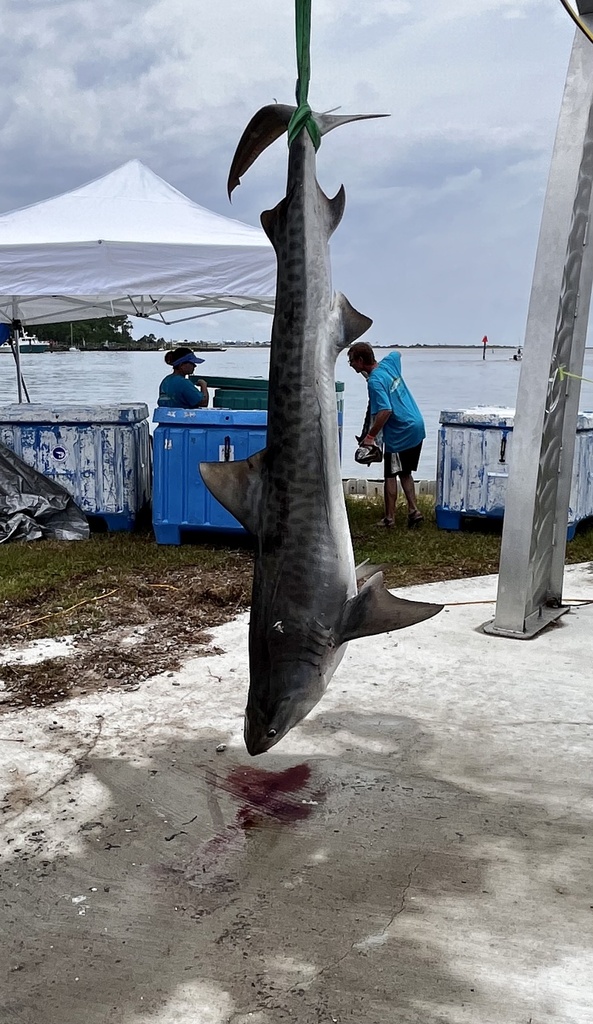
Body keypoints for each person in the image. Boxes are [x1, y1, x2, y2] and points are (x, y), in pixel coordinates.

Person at [348, 342, 425, 528]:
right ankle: (414, 512)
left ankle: (390, 519)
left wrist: (370, 437)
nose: (350, 365)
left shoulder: (375, 382)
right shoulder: (389, 364)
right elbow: (397, 353)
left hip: (401, 432)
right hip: (417, 424)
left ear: (360, 360)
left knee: (390, 475)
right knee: (405, 472)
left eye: (352, 361)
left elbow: (385, 411)